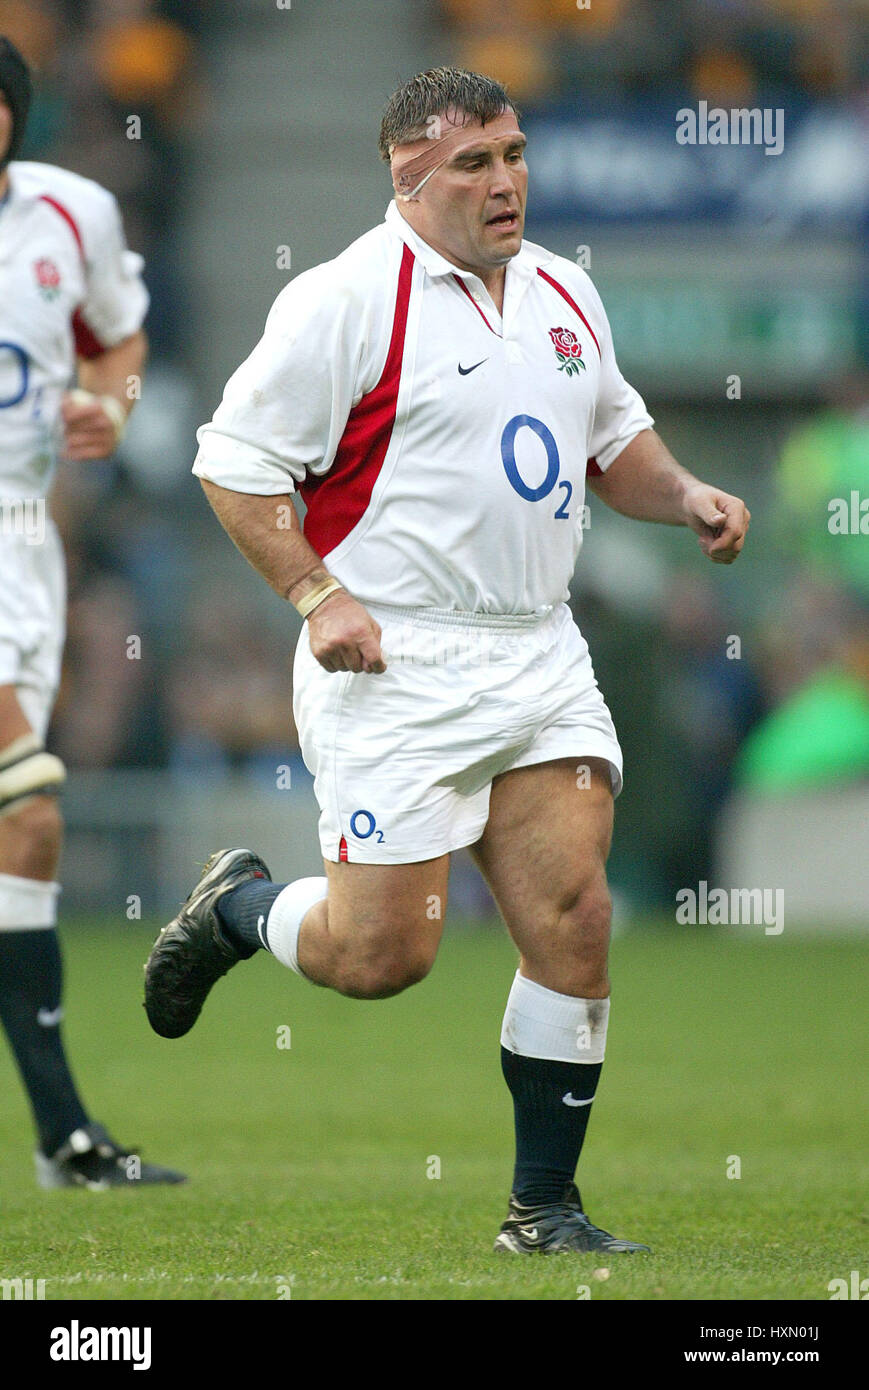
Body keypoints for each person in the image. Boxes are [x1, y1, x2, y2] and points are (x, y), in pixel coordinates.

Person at [145, 67, 748, 1251]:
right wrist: (316, 593)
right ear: (406, 178)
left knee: (573, 915)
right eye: (472, 163)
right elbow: (231, 460)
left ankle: (544, 1208)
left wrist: (681, 494)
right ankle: (240, 912)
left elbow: (612, 436)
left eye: (514, 154)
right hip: (395, 659)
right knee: (381, 957)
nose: (504, 181)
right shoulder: (345, 301)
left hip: (536, 650)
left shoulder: (565, 288)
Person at [0, 36, 184, 1189]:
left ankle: (63, 1134)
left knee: (21, 830)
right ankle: (65, 1128)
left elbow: (118, 340)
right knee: (29, 801)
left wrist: (109, 411)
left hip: (22, 537)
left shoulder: (71, 215)